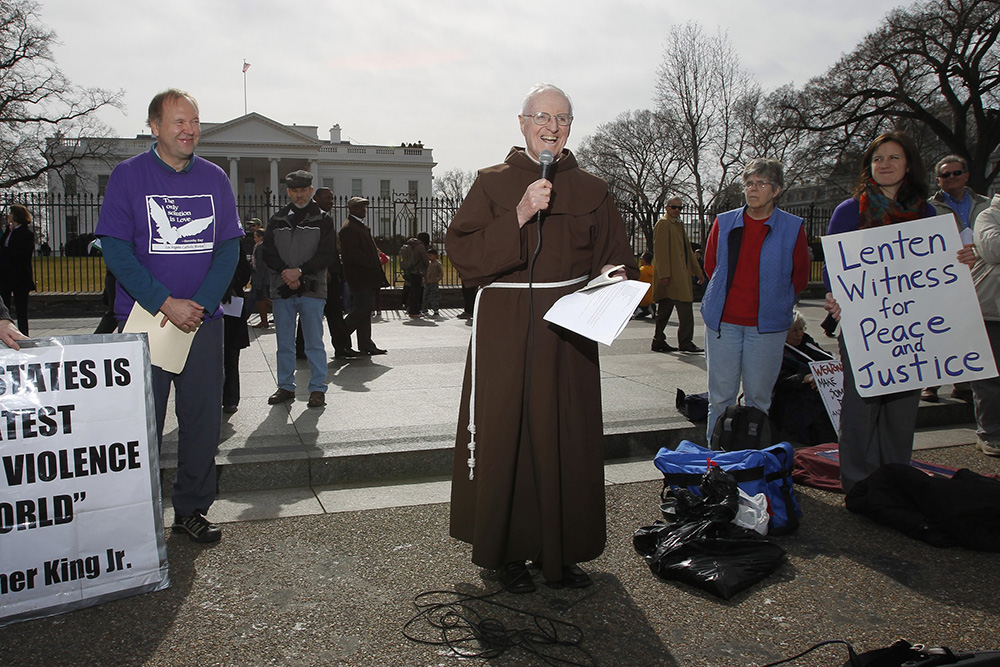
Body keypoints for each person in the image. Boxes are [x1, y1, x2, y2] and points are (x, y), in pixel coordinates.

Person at [446, 83, 638, 593]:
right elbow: (463, 256)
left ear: (570, 127)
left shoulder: (594, 189)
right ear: (523, 122)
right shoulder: (491, 183)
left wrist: (616, 274)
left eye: (562, 119)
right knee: (506, 434)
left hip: (568, 332)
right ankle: (506, 553)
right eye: (542, 117)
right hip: (506, 328)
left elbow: (614, 253)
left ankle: (561, 552)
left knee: (565, 436)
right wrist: (519, 213)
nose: (552, 127)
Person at [96, 88, 243, 543]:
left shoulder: (215, 177)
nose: (189, 130)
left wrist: (199, 304)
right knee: (143, 424)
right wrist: (165, 302)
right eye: (179, 121)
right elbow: (116, 250)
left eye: (195, 121)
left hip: (202, 322)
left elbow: (228, 247)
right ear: (155, 126)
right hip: (146, 321)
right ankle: (135, 517)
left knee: (202, 422)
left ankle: (191, 510)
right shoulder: (128, 176)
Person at [823, 131, 939, 493]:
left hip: (911, 324)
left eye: (893, 157)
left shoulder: (927, 213)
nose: (885, 164)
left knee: (902, 409)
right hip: (864, 324)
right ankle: (859, 483)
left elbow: (938, 264)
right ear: (868, 166)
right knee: (860, 404)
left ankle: (896, 476)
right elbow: (832, 264)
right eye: (878, 158)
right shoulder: (849, 211)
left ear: (909, 165)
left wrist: (961, 257)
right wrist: (834, 294)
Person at [701, 158, 810, 442]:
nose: (753, 189)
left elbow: (800, 276)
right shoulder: (725, 222)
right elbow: (712, 266)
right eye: (749, 183)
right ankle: (716, 456)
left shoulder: (792, 227)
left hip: (767, 327)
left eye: (761, 183)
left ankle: (752, 457)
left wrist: (777, 300)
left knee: (759, 398)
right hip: (723, 323)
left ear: (776, 190)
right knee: (719, 397)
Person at [261, 171, 337, 409]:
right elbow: (268, 252)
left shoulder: (323, 219)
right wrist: (286, 272)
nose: (300, 195)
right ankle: (285, 386)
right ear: (288, 192)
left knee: (314, 342)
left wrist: (300, 272)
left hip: (312, 289)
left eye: (304, 190)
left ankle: (317, 388)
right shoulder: (277, 219)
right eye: (295, 191)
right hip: (282, 287)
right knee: (284, 343)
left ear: (311, 190)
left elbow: (326, 253)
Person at [921, 155, 990, 403]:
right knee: (938, 330)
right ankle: (931, 383)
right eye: (945, 175)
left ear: (966, 175)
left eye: (956, 173)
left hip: (979, 273)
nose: (952, 177)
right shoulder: (928, 208)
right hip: (942, 276)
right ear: (938, 180)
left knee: (969, 330)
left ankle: (962, 383)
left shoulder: (986, 205)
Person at [769, 310, 838, 447]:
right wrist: (804, 378)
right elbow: (780, 380)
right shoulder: (776, 351)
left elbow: (826, 360)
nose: (800, 334)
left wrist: (822, 376)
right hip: (788, 397)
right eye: (795, 330)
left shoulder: (807, 343)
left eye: (802, 329)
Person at [967, 194, 1000, 457]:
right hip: (991, 312)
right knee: (989, 380)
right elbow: (993, 249)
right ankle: (990, 434)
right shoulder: (988, 216)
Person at [651, 198, 705, 353]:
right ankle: (683, 342)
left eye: (680, 208)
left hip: (679, 275)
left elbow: (688, 252)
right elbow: (660, 253)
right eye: (674, 207)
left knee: (668, 309)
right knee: (679, 309)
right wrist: (664, 275)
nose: (677, 210)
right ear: (667, 207)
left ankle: (660, 340)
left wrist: (698, 272)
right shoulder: (663, 224)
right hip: (671, 276)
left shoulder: (678, 225)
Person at [312, 187, 360, 360]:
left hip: (330, 271)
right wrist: (324, 269)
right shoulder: (315, 218)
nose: (331, 202)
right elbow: (318, 247)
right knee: (324, 312)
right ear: (316, 198)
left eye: (332, 198)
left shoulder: (323, 217)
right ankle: (342, 347)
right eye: (327, 198)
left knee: (331, 312)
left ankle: (342, 346)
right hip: (323, 273)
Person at [338, 196, 387, 355]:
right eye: (359, 207)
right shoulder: (349, 228)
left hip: (365, 276)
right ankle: (341, 339)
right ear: (351, 209)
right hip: (360, 276)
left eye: (364, 207)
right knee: (362, 309)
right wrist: (372, 261)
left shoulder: (358, 226)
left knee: (365, 310)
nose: (363, 210)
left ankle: (366, 343)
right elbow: (353, 255)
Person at [222, 248, 252, 414]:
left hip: (231, 303)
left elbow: (245, 272)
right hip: (206, 303)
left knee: (231, 357)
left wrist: (230, 282)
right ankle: (213, 397)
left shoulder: (235, 244)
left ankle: (230, 399)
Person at [0, 204, 37, 335]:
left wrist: (4, 251)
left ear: (16, 215)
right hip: (5, 275)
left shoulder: (27, 234)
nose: (8, 215)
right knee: (4, 308)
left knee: (21, 309)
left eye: (11, 213)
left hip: (20, 276)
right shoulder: (8, 231)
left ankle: (23, 333)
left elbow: (20, 254)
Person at [404, 233, 430, 317]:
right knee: (416, 292)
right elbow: (425, 260)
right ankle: (414, 311)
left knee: (412, 291)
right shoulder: (420, 246)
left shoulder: (411, 244)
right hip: (417, 271)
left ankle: (411, 309)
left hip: (410, 270)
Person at [251, 229, 271, 327]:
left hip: (262, 278)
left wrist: (259, 281)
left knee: (262, 298)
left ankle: (264, 320)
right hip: (262, 277)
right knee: (262, 298)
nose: (254, 239)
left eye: (256, 237)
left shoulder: (260, 248)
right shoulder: (263, 246)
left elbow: (261, 265)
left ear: (261, 237)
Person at [420, 247, 443, 317]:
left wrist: (437, 279)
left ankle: (435, 309)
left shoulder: (438, 264)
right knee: (425, 296)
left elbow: (441, 273)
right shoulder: (429, 264)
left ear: (435, 255)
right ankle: (424, 309)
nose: (429, 257)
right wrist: (424, 279)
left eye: (430, 256)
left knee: (434, 296)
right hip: (427, 282)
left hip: (434, 282)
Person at [633, 251, 655, 319]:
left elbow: (634, 282)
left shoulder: (642, 271)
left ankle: (639, 310)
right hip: (652, 299)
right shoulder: (654, 270)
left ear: (644, 260)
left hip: (642, 299)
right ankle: (649, 308)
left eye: (641, 258)